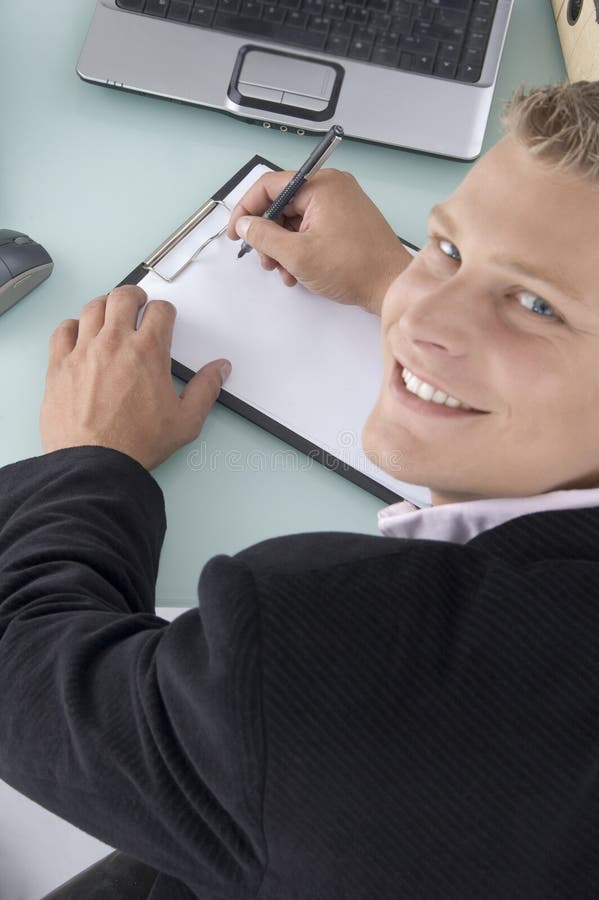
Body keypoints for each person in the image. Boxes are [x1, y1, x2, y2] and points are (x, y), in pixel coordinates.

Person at [0, 80, 598, 900]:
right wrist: (388, 276)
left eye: (536, 306)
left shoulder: (324, 652)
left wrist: (94, 461)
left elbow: (22, 671)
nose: (421, 318)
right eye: (446, 249)